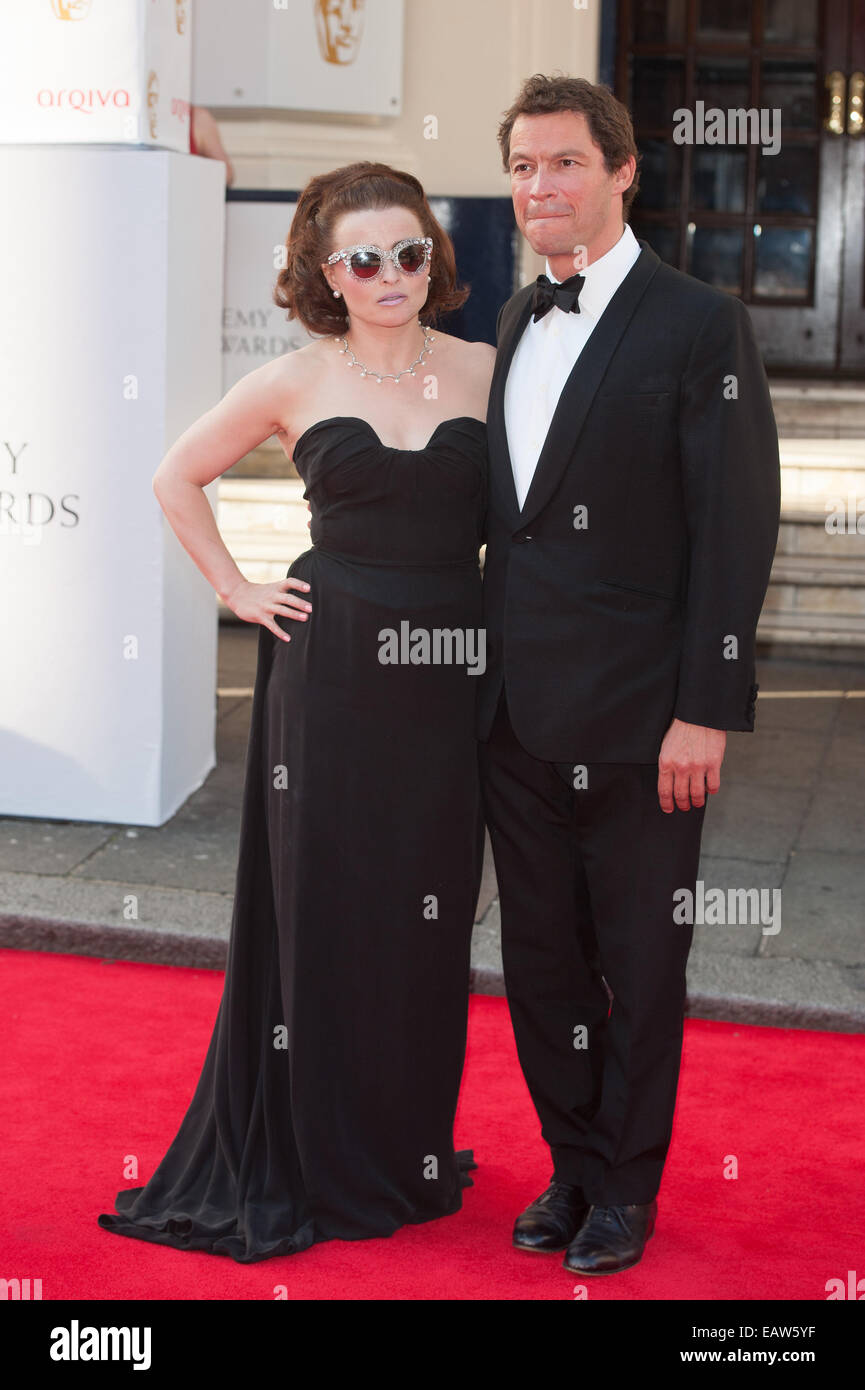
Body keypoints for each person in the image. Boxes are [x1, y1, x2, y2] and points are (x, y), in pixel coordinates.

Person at [98, 162, 495, 1262]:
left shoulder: (485, 371)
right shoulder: (292, 379)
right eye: (363, 259)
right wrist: (235, 588)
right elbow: (176, 475)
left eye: (409, 253)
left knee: (424, 912)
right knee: (322, 906)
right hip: (330, 678)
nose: (389, 275)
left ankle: (400, 1145)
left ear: (434, 258)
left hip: (446, 677)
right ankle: (314, 1148)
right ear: (327, 272)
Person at [477, 75, 780, 1275]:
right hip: (514, 716)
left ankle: (627, 1189)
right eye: (519, 166)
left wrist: (705, 708)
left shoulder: (698, 322)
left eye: (561, 162)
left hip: (645, 718)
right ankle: (571, 1164)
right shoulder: (511, 318)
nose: (538, 185)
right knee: (541, 961)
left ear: (620, 172)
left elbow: (734, 525)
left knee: (641, 965)